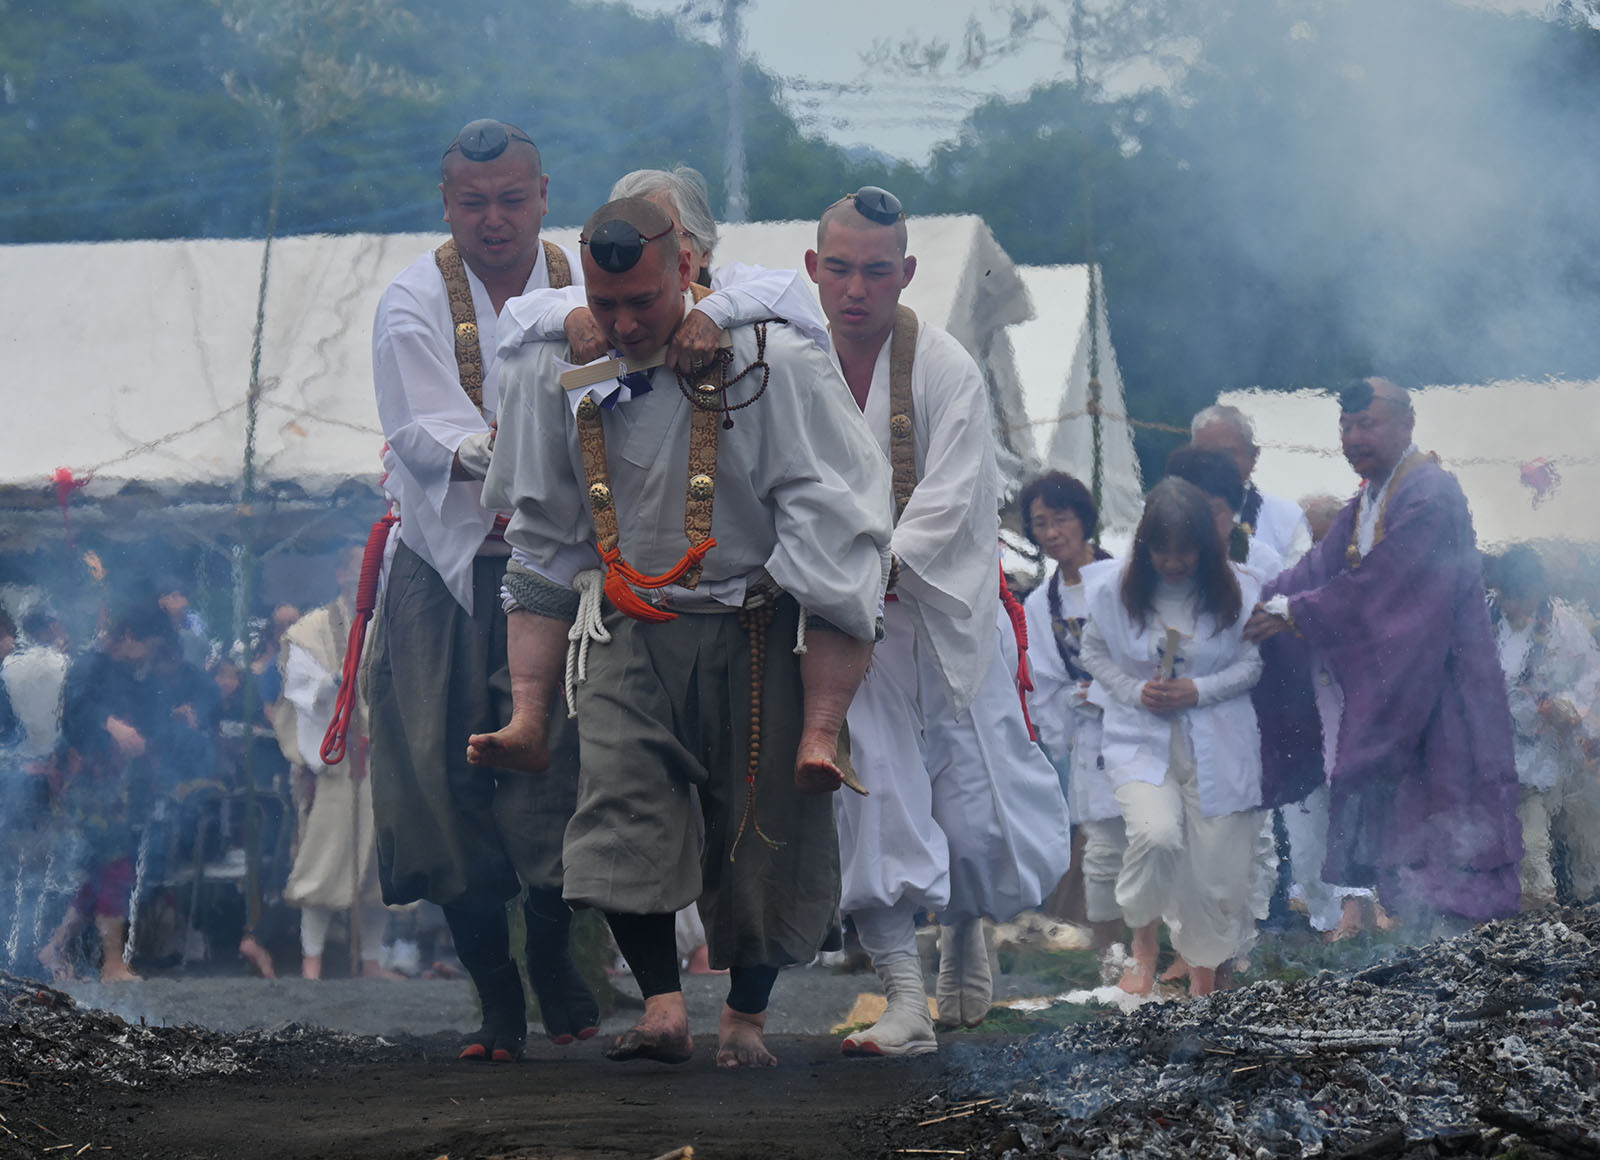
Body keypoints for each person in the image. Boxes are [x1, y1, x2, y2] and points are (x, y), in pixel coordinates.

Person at [470, 196, 893, 1070]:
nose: (624, 325)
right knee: (618, 811)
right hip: (628, 621)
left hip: (757, 625)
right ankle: (663, 1007)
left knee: (766, 826)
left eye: (643, 303)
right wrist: (531, 701)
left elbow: (834, 513)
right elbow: (543, 529)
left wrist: (821, 642)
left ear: (689, 273)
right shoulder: (557, 359)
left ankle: (745, 1017)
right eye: (605, 303)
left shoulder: (769, 353)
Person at [805, 187, 1072, 1054]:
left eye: (876, 271)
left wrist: (880, 563)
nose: (856, 289)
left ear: (907, 272)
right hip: (845, 625)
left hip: (946, 611)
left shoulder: (947, 366)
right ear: (812, 268)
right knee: (872, 791)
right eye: (839, 269)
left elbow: (957, 495)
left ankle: (964, 931)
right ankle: (905, 998)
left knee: (973, 807)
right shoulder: (788, 356)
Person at [367, 118, 599, 1060]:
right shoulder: (412, 299)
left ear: (543, 196)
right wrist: (505, 453)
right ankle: (495, 993)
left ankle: (550, 949)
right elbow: (419, 431)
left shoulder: (590, 285)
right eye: (473, 203)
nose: (493, 219)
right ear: (447, 203)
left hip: (565, 563)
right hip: (447, 567)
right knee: (440, 775)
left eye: (510, 199)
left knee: (569, 766)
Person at [1246, 377, 1523, 930]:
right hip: (1400, 682)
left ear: (1406, 423)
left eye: (1366, 424)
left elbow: (1388, 581)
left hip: (1442, 684)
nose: (1353, 438)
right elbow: (1318, 567)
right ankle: (1416, 932)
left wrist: (1296, 612)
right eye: (1346, 426)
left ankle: (1461, 934)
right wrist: (1252, 602)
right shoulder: (1370, 498)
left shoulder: (1430, 492)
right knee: (1406, 807)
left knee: (1451, 803)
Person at [1080, 478, 1266, 998]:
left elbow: (1252, 665)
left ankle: (1204, 978)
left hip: (1221, 742)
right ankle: (1143, 945)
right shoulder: (1113, 590)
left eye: (1186, 550)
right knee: (1155, 836)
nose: (1174, 561)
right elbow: (1093, 653)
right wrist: (1133, 690)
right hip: (1139, 738)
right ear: (1146, 546)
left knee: (1216, 868)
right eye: (1162, 549)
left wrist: (1197, 691)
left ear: (1205, 546)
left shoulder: (1242, 590)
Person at [280, 546, 401, 978]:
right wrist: (336, 683)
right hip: (337, 764)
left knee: (380, 869)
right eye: (357, 571)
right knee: (325, 863)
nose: (365, 581)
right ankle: (311, 961)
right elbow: (300, 688)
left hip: (383, 764)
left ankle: (371, 960)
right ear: (340, 574)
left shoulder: (392, 624)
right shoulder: (311, 630)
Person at [1019, 472, 1125, 955]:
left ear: (1084, 519)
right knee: (1100, 844)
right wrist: (1069, 710)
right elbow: (1043, 680)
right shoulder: (1041, 602)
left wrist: (1110, 690)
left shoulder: (1125, 578)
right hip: (1088, 735)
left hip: (1141, 721)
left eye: (1060, 519)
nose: (1051, 532)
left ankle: (1160, 943)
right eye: (1040, 523)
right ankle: (1109, 951)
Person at [1486, 545, 1600, 908]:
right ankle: (1537, 905)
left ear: (1536, 590)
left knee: (1585, 837)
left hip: (1564, 748)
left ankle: (1587, 900)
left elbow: (1591, 674)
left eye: (1520, 596)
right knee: (1530, 840)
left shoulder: (1565, 626)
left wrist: (1569, 705)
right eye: (1507, 596)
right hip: (1513, 754)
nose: (1513, 605)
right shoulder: (1484, 620)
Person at [1190, 404, 1311, 567]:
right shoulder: (1171, 512)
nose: (1217, 463)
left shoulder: (1287, 518)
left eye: (1228, 454)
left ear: (1253, 456)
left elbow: (1299, 580)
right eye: (1206, 454)